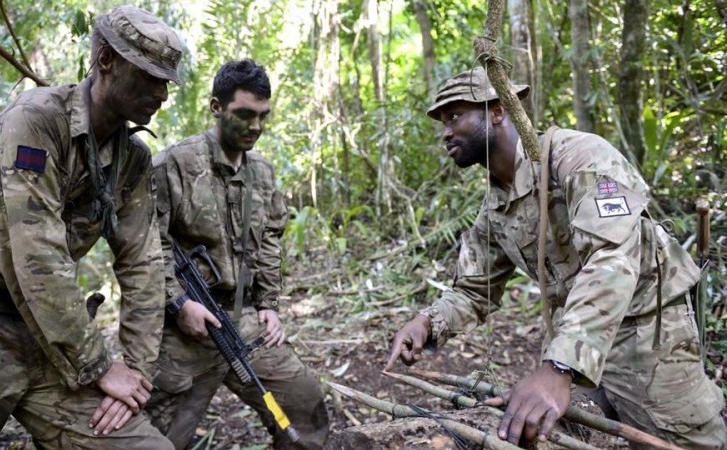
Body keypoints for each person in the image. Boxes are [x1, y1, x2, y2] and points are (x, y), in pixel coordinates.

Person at [385, 67, 727, 449]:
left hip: (648, 337)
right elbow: (474, 290)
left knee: (683, 442)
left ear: (497, 110)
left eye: (454, 116)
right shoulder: (496, 206)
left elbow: (613, 257)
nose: (446, 132)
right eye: (443, 123)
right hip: (574, 340)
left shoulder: (578, 157)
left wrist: (558, 368)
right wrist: (427, 323)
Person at [0, 6, 183, 449]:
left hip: (47, 336)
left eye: (166, 81)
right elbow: (35, 253)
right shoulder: (36, 119)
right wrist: (101, 365)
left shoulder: (134, 159)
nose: (162, 92)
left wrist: (136, 371)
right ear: (106, 60)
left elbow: (144, 264)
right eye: (149, 76)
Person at [148, 59, 329, 450]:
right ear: (216, 107)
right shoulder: (173, 165)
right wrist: (178, 303)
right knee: (158, 440)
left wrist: (269, 305)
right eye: (244, 115)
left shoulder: (262, 173)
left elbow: (269, 241)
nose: (255, 127)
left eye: (263, 116)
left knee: (304, 406)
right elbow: (147, 247)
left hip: (245, 321)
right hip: (186, 330)